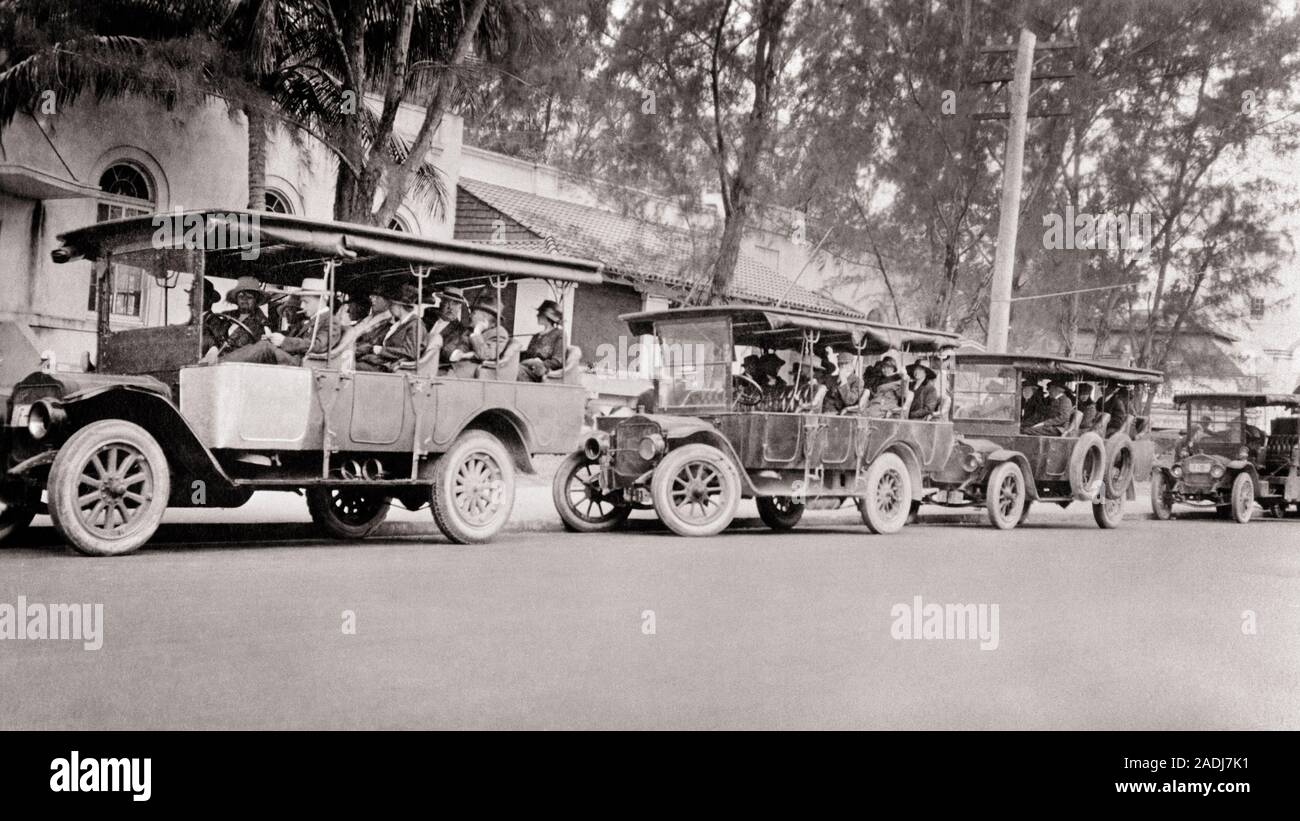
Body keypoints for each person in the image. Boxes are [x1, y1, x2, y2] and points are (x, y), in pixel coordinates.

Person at [221, 277, 338, 366]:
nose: (302, 306)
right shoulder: (312, 320)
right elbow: (293, 335)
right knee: (262, 344)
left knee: (265, 347)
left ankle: (219, 364)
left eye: (306, 302)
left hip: (302, 364)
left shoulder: (331, 321)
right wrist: (274, 337)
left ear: (323, 299)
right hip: (295, 360)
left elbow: (318, 345)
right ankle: (220, 362)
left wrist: (284, 341)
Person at [356, 282, 422, 371]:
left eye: (391, 305)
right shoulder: (398, 323)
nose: (390, 307)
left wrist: (381, 350)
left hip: (388, 367)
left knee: (352, 366)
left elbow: (410, 352)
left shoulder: (415, 324)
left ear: (399, 306)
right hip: (379, 362)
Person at [214, 276, 268, 355]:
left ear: (256, 300)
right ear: (236, 299)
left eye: (249, 297)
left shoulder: (262, 322)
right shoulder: (225, 316)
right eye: (241, 296)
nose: (244, 300)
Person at [448, 300, 509, 371]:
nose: (470, 316)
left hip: (472, 372)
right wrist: (459, 353)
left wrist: (477, 333)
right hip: (454, 367)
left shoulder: (499, 333)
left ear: (484, 317)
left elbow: (485, 355)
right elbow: (453, 348)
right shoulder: (469, 330)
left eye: (474, 313)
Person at [518, 299, 566, 382]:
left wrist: (538, 363)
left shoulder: (559, 334)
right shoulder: (537, 336)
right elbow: (527, 354)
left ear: (548, 317)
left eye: (540, 313)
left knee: (514, 371)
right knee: (509, 369)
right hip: (526, 368)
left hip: (540, 374)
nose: (537, 315)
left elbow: (558, 361)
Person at [429, 287, 470, 367]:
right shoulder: (427, 320)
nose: (450, 307)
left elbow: (447, 354)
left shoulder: (460, 331)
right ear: (441, 303)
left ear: (459, 307)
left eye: (455, 303)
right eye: (447, 302)